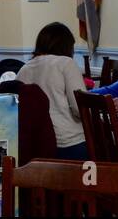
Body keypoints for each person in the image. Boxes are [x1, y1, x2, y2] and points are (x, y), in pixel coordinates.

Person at [16, 22, 87, 161]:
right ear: (67, 46)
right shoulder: (66, 63)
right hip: (69, 143)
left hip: (35, 146)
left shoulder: (24, 69)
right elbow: (80, 108)